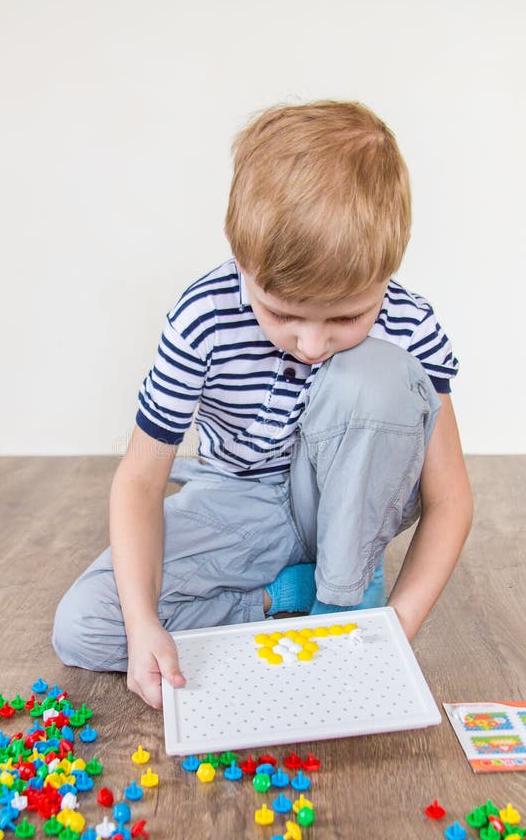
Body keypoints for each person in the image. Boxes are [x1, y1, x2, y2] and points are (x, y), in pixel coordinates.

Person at [53, 100, 473, 709]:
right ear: (239, 258)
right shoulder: (204, 316)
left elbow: (450, 498)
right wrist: (144, 621)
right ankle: (288, 594)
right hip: (239, 499)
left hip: (351, 493)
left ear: (390, 269)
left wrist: (395, 631)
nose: (310, 345)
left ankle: (346, 595)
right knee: (86, 623)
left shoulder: (410, 323)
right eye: (281, 313)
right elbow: (142, 480)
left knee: (373, 377)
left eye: (347, 316)